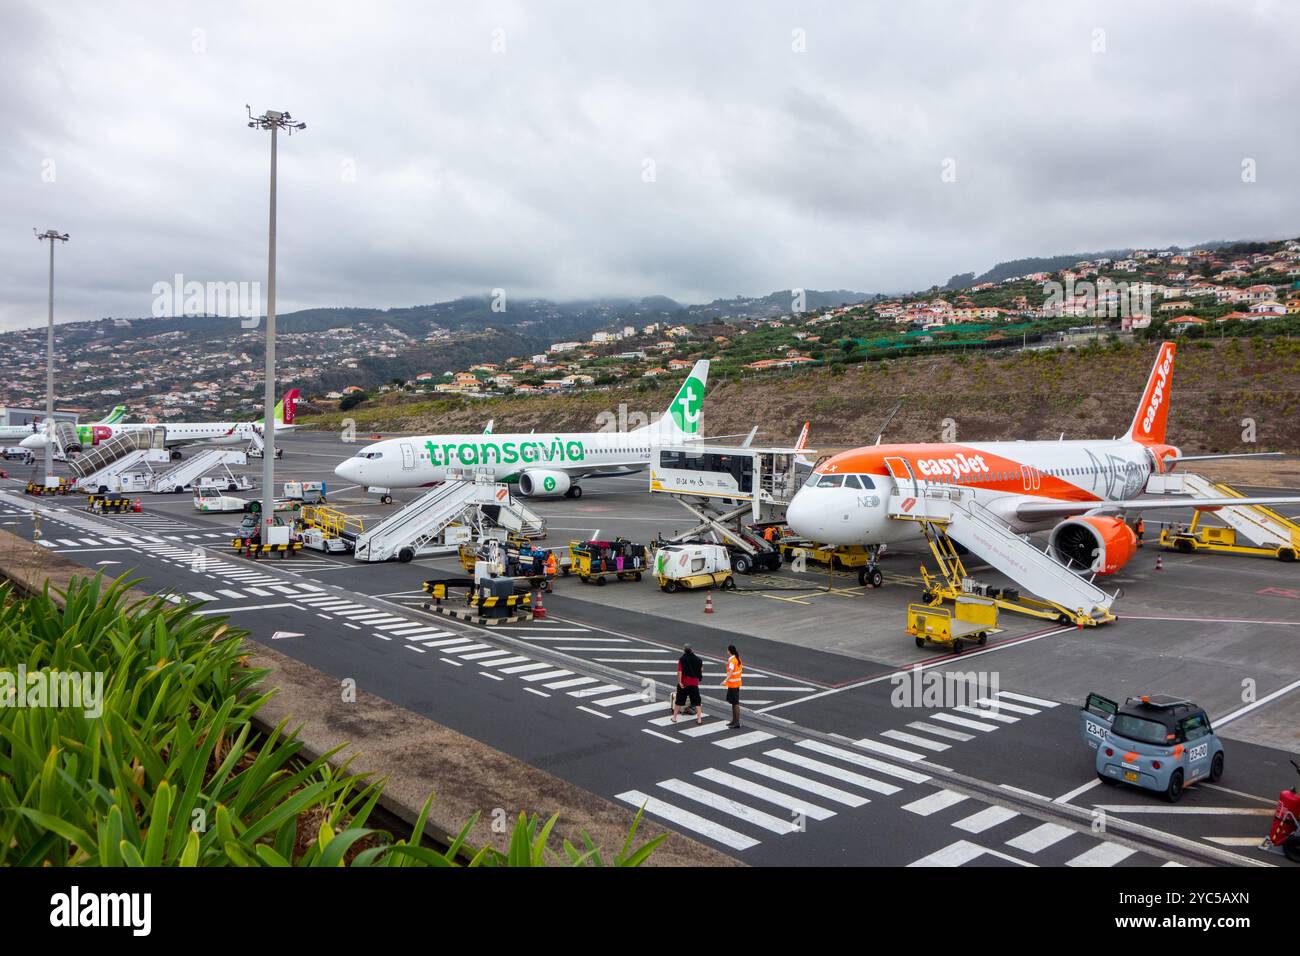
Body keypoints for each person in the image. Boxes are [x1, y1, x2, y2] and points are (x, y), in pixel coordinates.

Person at [672, 644, 705, 725]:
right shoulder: (698, 660)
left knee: (679, 700)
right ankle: (699, 719)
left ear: (684, 650)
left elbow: (680, 672)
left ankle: (674, 717)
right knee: (697, 701)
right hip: (694, 683)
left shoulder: (682, 659)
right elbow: (701, 669)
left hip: (684, 683)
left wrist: (680, 682)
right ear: (692, 650)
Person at [723, 644, 743, 729]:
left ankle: (736, 722)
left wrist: (725, 680)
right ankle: (734, 720)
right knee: (734, 703)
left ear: (730, 651)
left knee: (735, 704)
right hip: (736, 684)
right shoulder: (737, 659)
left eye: (727, 650)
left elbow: (731, 672)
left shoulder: (732, 661)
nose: (726, 651)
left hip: (733, 685)